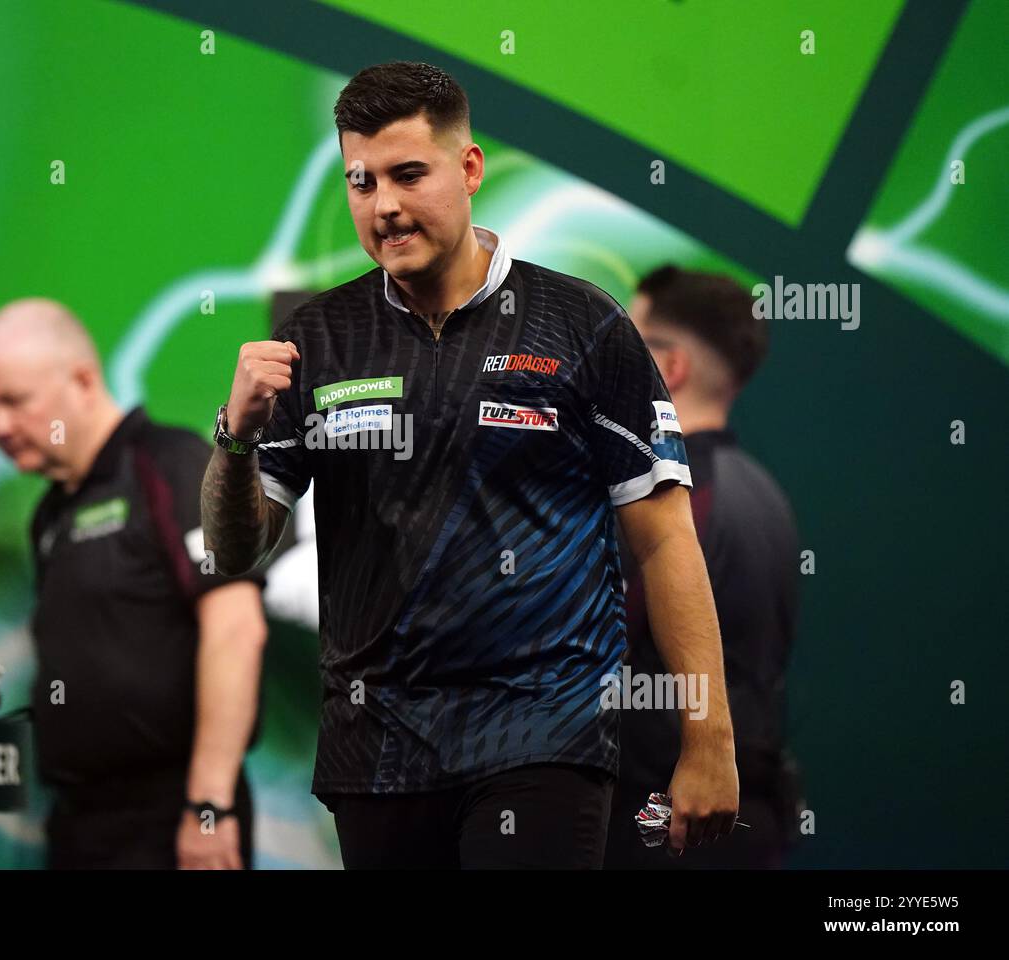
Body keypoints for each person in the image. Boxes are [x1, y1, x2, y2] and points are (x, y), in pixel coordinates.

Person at [200, 62, 738, 869]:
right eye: (361, 181)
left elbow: (665, 541)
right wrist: (235, 438)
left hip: (542, 734)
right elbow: (234, 550)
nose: (384, 206)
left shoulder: (586, 326)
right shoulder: (317, 340)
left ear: (470, 168)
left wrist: (710, 740)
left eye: (408, 174)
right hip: (374, 750)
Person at [0, 298, 267, 869]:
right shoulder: (50, 515)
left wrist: (209, 808)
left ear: (82, 380)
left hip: (174, 820)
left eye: (14, 401)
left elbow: (236, 631)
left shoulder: (172, 465)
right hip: (77, 824)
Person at [605, 266, 801, 869]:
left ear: (668, 369)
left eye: (626, 347)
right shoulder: (767, 494)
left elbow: (605, 653)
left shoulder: (669, 507)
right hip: (733, 820)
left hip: (669, 827)